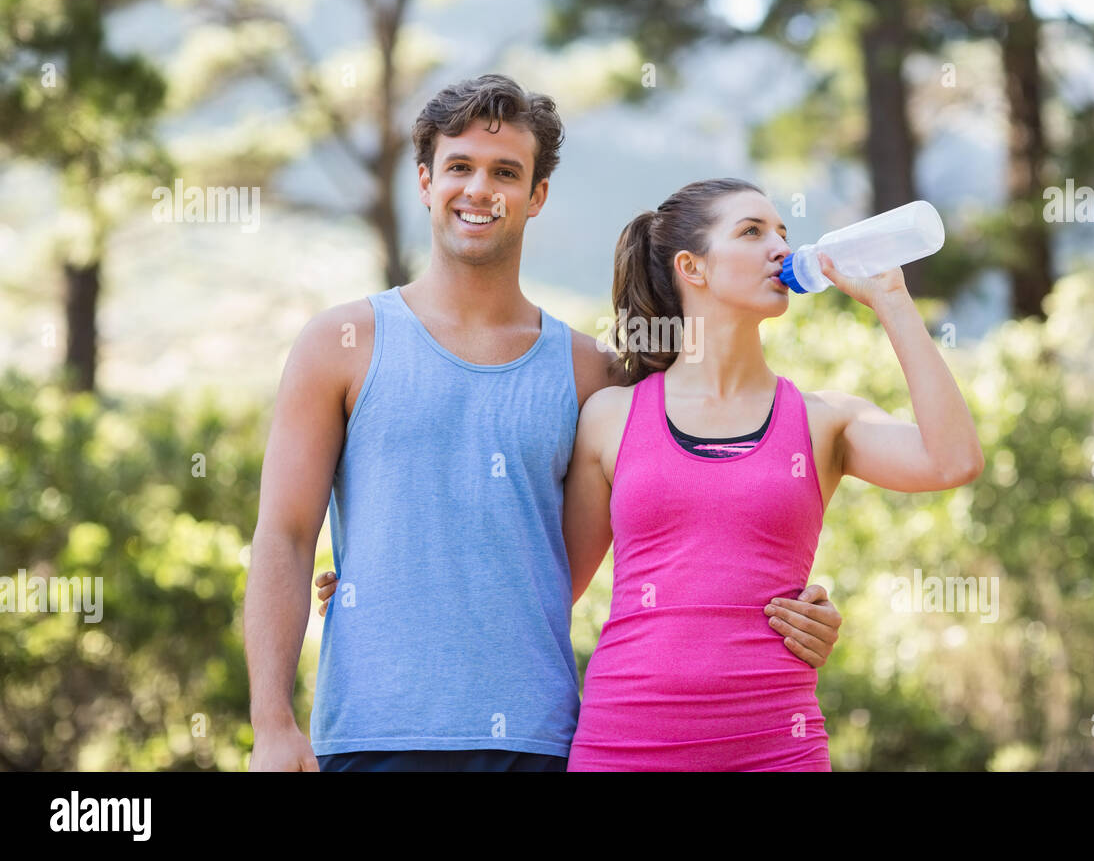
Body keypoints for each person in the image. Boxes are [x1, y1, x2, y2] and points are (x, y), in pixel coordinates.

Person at [243, 75, 843, 772]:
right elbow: (284, 536)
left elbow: (687, 526)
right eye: (459, 167)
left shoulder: (595, 375)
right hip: (370, 735)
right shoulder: (340, 343)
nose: (479, 189)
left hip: (538, 742)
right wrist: (272, 723)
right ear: (424, 181)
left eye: (506, 172)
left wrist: (792, 618)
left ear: (537, 196)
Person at [556, 178, 985, 770]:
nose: (780, 248)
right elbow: (556, 589)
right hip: (626, 743)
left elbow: (954, 460)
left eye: (783, 232)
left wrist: (892, 297)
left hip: (778, 747)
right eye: (752, 232)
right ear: (693, 267)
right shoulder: (612, 417)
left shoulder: (823, 420)